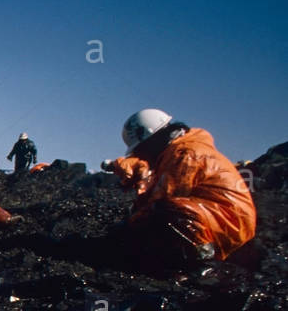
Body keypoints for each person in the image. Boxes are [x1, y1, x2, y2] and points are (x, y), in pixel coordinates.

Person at [105, 108, 255, 269]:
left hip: (229, 223)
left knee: (167, 210)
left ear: (153, 139)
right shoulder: (178, 150)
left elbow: (164, 198)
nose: (142, 156)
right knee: (157, 215)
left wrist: (128, 226)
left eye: (142, 149)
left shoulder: (185, 154)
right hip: (223, 219)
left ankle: (204, 263)